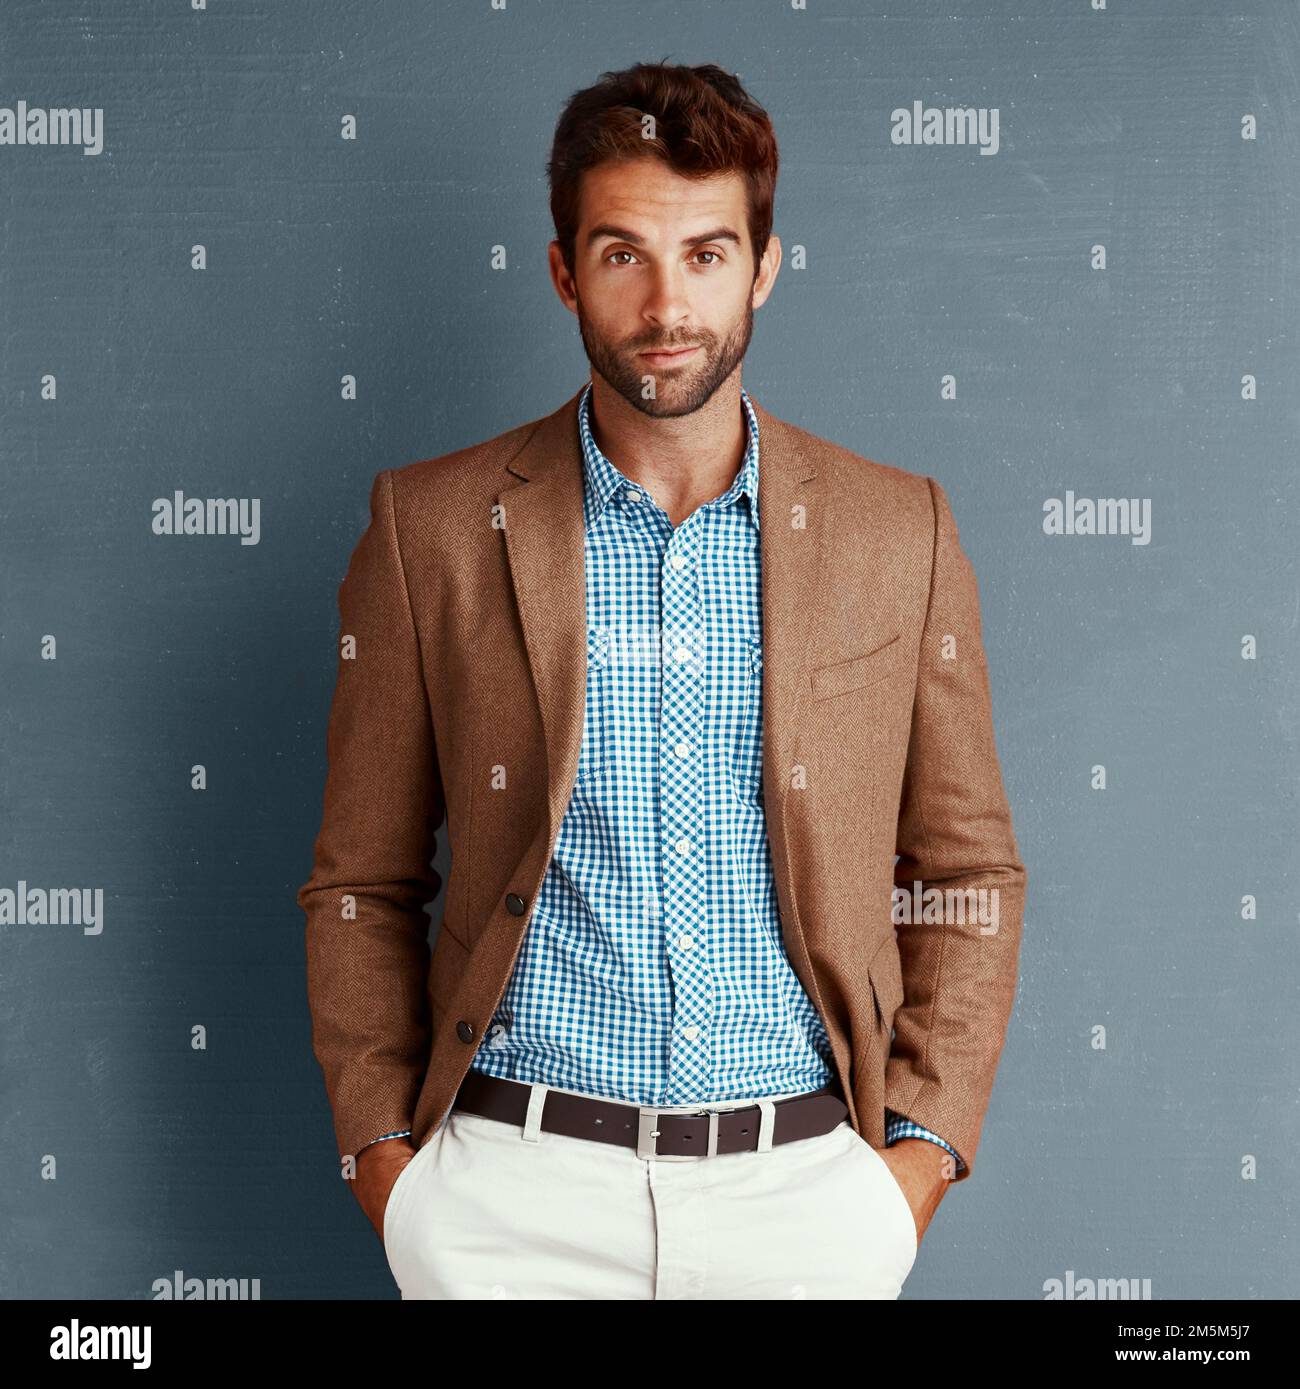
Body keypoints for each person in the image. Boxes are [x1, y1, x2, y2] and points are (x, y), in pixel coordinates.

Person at [298, 59, 1027, 1300]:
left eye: (705, 253)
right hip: (509, 1200)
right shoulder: (429, 527)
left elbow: (964, 874)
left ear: (765, 265)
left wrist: (915, 1162)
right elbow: (361, 879)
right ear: (563, 270)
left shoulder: (895, 529)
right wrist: (390, 1170)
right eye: (624, 252)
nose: (665, 304)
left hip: (805, 1200)